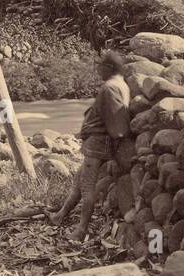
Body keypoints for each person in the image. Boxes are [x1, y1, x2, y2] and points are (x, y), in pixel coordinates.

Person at [51, 51, 132, 240]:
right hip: (99, 141)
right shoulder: (121, 85)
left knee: (87, 188)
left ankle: (81, 231)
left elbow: (117, 123)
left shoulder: (110, 87)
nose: (97, 70)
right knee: (78, 182)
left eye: (99, 67)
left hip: (98, 142)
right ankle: (60, 215)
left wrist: (113, 139)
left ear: (109, 68)